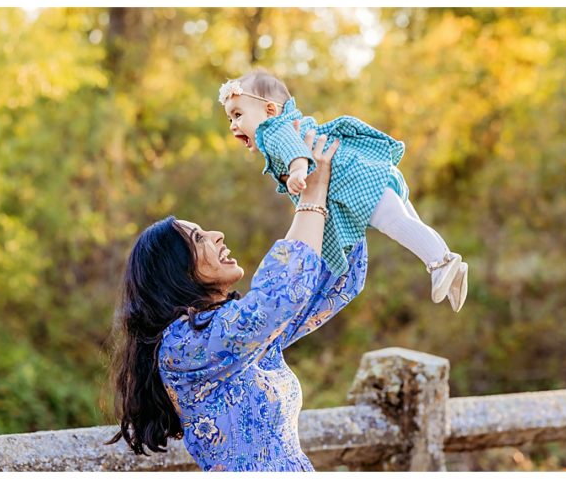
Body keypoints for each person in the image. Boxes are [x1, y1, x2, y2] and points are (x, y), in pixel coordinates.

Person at [107, 132, 362, 470]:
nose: (217, 235)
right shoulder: (184, 345)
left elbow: (334, 283)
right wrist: (311, 197)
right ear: (176, 272)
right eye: (198, 239)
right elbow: (280, 296)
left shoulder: (244, 335)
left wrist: (331, 187)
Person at [220, 69, 466, 310]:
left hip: (357, 181)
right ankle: (450, 265)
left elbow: (294, 151)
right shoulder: (289, 124)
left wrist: (297, 171)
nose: (233, 125)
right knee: (409, 221)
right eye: (230, 118)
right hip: (370, 169)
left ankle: (439, 264)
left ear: (270, 110)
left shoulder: (271, 130)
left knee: (394, 222)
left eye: (238, 114)